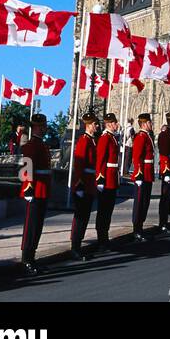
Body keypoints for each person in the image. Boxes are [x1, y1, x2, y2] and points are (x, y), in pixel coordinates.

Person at [19, 112, 52, 275]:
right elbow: (27, 167)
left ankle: (32, 256)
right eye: (42, 126)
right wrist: (28, 187)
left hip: (43, 187)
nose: (45, 128)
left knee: (37, 226)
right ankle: (26, 259)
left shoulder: (42, 144)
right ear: (36, 127)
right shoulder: (32, 145)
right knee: (31, 226)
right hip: (35, 188)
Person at [71, 111, 100, 260]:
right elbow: (79, 164)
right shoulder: (84, 141)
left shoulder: (91, 140)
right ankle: (75, 247)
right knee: (80, 217)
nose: (97, 126)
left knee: (85, 216)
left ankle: (78, 245)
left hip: (89, 182)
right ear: (88, 125)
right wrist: (79, 184)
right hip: (84, 183)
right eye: (95, 124)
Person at [95, 112, 120, 248]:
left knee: (108, 209)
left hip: (112, 177)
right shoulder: (105, 138)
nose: (117, 125)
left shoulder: (112, 137)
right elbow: (100, 160)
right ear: (109, 124)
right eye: (115, 123)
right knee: (104, 209)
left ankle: (104, 236)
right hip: (106, 178)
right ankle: (101, 238)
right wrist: (100, 179)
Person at [131, 113, 155, 240]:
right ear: (144, 124)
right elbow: (137, 157)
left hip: (148, 172)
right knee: (140, 203)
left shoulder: (147, 136)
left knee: (145, 202)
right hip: (143, 173)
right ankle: (137, 229)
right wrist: (139, 174)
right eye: (150, 122)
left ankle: (140, 227)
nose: (151, 124)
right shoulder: (141, 137)